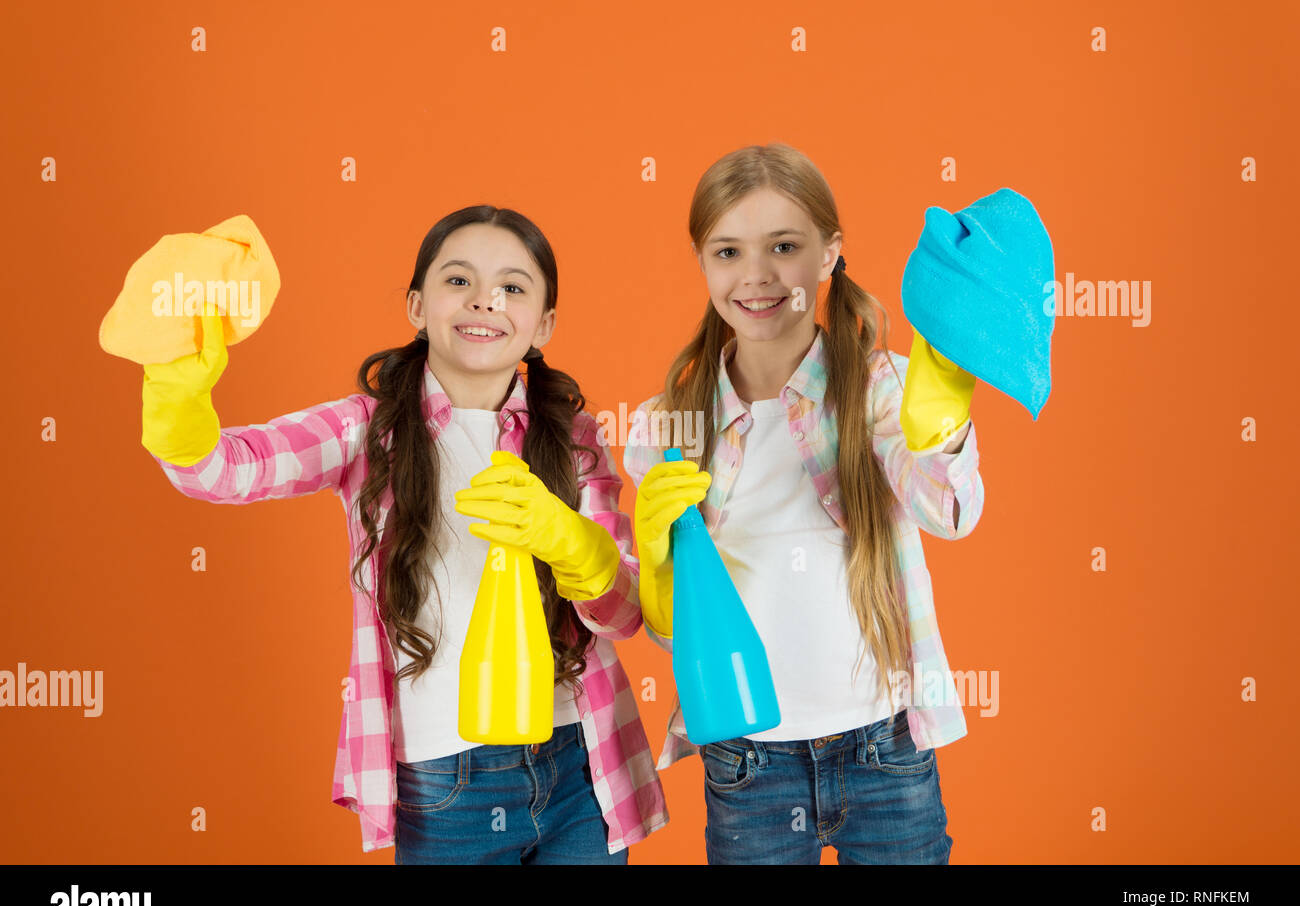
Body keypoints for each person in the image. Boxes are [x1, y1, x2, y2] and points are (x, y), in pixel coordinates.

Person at [139, 205, 666, 863]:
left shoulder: (577, 440)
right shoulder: (366, 428)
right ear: (417, 304)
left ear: (544, 323)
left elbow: (622, 616)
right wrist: (176, 400)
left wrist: (572, 541)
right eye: (458, 280)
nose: (485, 301)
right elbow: (224, 471)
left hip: (579, 766)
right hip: (445, 780)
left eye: (513, 286)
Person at [624, 143, 984, 864]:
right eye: (727, 250)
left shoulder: (882, 387)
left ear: (829, 254)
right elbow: (674, 633)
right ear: (702, 261)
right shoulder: (667, 425)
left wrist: (942, 423)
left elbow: (951, 514)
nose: (755, 275)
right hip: (747, 764)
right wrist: (656, 570)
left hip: (886, 750)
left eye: (783, 246)